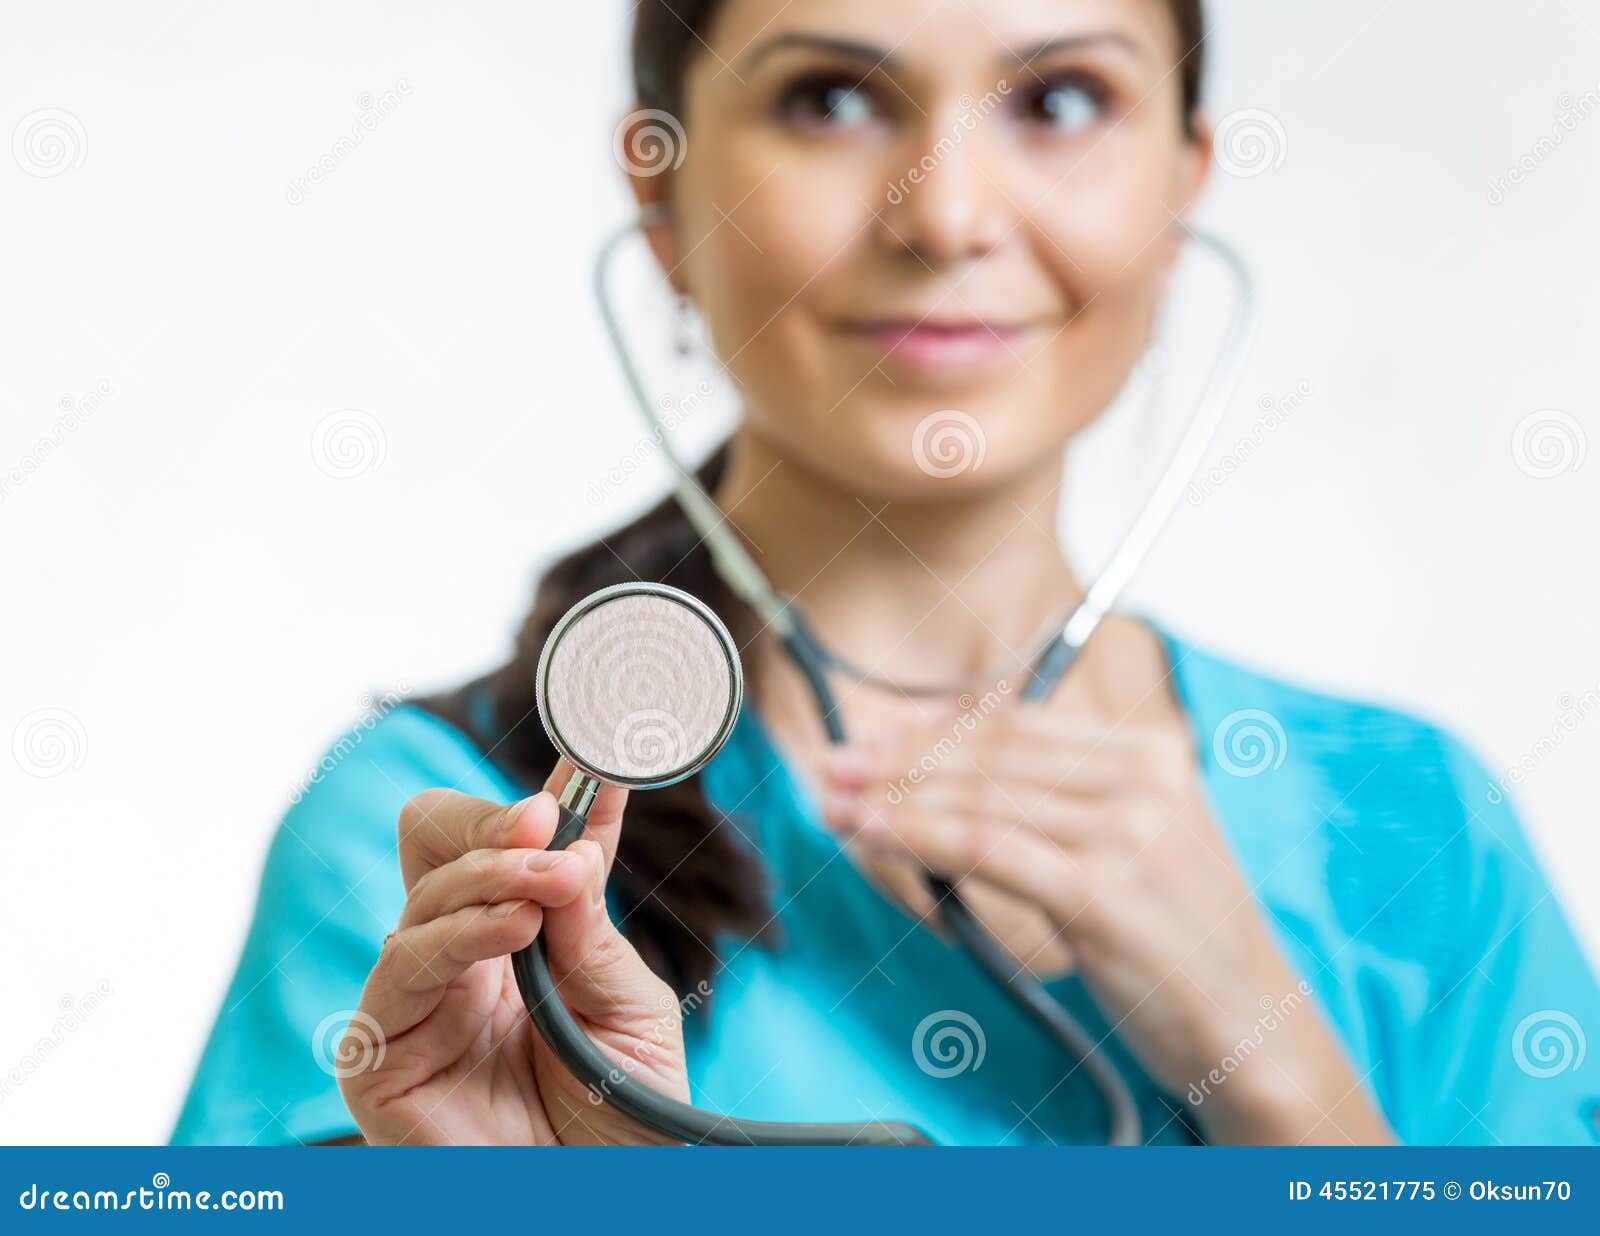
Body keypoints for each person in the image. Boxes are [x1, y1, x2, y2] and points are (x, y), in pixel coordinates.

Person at [174, 0, 1600, 1146]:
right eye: (834, 98)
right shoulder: (438, 849)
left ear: (1182, 186)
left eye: (1058, 101)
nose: (946, 214)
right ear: (660, 189)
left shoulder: (1418, 828)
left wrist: (1272, 1069)